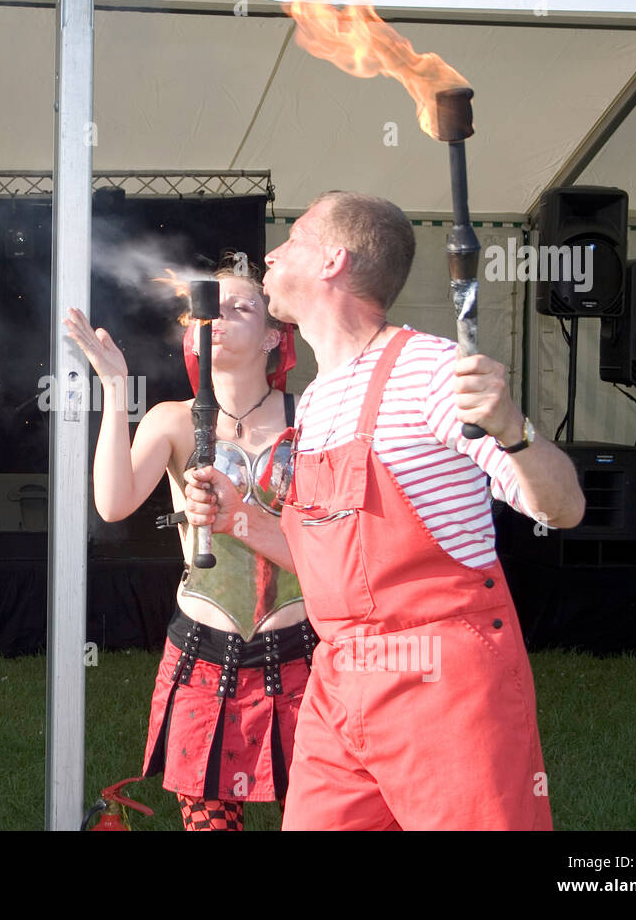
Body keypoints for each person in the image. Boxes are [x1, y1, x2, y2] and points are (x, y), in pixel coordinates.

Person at [184, 192, 585, 830]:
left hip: (442, 686)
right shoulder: (313, 402)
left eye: (292, 240)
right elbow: (330, 569)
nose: (271, 253)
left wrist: (513, 429)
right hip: (339, 681)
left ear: (333, 261)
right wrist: (240, 517)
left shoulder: (430, 373)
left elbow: (563, 507)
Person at [64, 253, 317, 830]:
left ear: (275, 336)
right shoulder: (172, 419)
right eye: (211, 309)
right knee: (208, 825)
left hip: (303, 651)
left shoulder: (312, 415)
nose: (221, 319)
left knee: (318, 815)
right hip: (206, 657)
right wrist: (114, 387)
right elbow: (113, 503)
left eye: (242, 307)